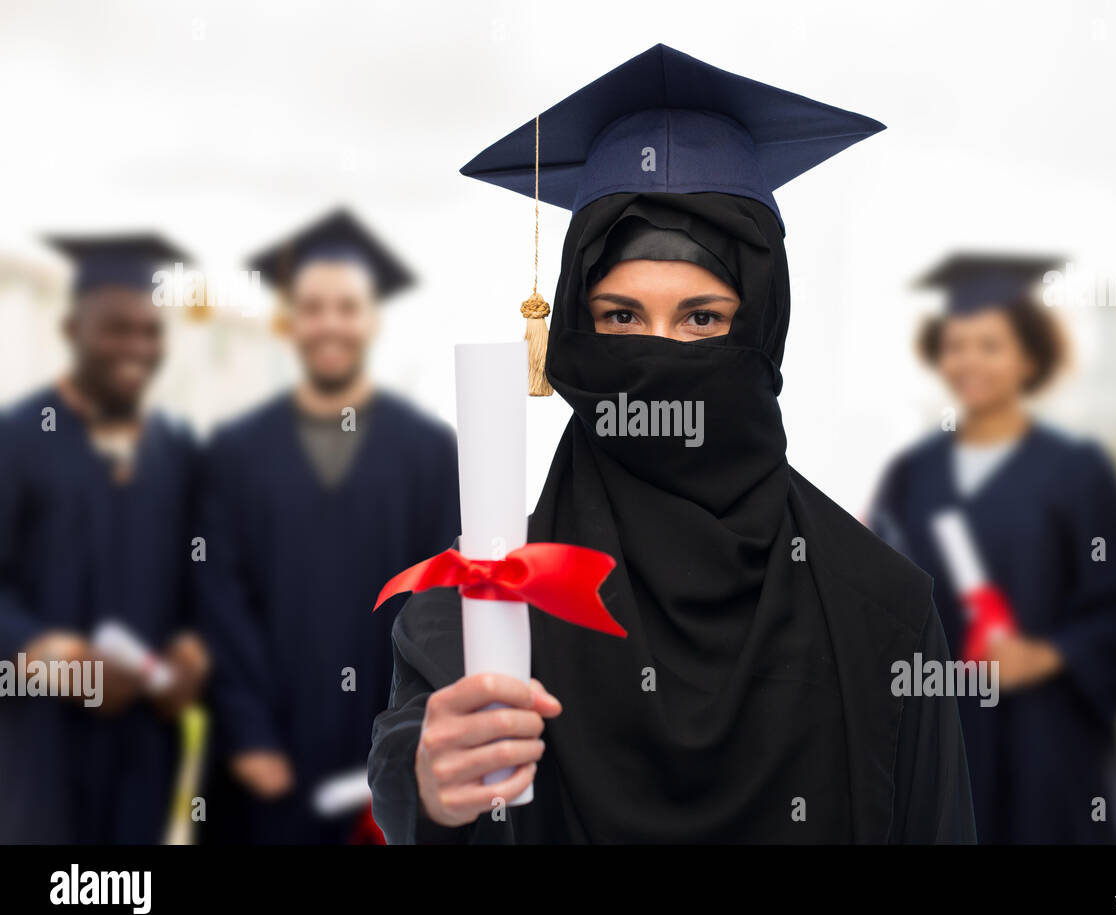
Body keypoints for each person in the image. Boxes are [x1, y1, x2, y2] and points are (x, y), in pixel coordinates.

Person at [369, 44, 976, 844]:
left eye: (702, 320)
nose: (659, 355)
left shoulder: (880, 610)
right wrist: (431, 784)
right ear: (576, 336)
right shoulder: (484, 601)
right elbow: (418, 773)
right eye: (621, 319)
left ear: (761, 327)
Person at [197, 209, 459, 844]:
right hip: (261, 763)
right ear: (290, 321)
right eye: (312, 308)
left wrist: (411, 739)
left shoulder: (428, 451)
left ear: (370, 318)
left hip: (383, 752)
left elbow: (444, 602)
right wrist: (250, 737)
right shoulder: (234, 452)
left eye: (347, 306)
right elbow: (216, 603)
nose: (330, 324)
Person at [870, 254, 1116, 843]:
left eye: (990, 345)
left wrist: (1044, 656)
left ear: (1029, 357)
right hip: (946, 728)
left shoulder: (1077, 471)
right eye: (957, 344)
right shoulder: (912, 475)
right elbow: (879, 599)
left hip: (1048, 735)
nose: (969, 362)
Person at [0, 234, 208, 843]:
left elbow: (206, 579)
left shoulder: (176, 453)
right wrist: (48, 658)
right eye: (116, 329)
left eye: (149, 332)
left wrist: (194, 654)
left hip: (146, 747)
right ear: (71, 328)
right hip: (37, 752)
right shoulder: (16, 443)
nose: (136, 348)